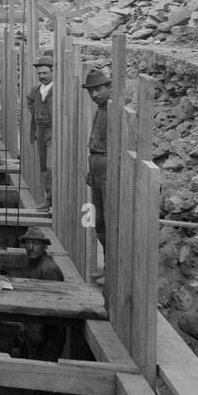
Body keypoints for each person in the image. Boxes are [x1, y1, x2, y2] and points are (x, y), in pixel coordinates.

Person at [9, 227, 66, 395]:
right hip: (36, 328)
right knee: (36, 373)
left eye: (35, 244)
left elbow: (53, 306)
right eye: (28, 243)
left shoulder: (48, 270)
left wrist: (38, 332)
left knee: (48, 378)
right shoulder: (34, 265)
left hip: (49, 332)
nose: (31, 247)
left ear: (44, 246)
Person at [83, 68, 112, 283]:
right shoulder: (101, 108)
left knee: (110, 220)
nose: (94, 94)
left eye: (98, 89)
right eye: (90, 90)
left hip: (109, 168)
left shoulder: (114, 109)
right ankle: (109, 266)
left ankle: (113, 270)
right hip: (97, 165)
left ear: (109, 87)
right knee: (97, 220)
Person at [27, 56, 55, 212]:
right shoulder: (36, 90)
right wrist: (36, 114)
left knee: (52, 167)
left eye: (45, 73)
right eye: (39, 74)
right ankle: (49, 200)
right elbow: (29, 100)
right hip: (40, 131)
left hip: (53, 131)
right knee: (44, 167)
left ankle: (55, 202)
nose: (42, 76)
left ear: (53, 71)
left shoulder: (57, 89)